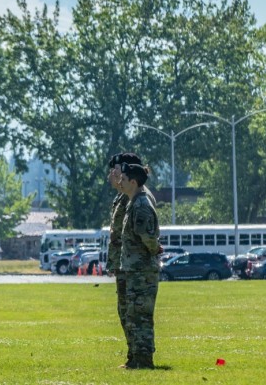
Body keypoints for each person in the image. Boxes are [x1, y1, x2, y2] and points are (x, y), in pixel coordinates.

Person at [119, 162, 161, 370]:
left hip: (143, 271)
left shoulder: (141, 204)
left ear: (133, 182)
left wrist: (155, 249)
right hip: (135, 270)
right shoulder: (133, 202)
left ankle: (144, 361)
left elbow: (148, 237)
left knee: (141, 317)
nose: (119, 181)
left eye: (123, 179)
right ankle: (136, 359)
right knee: (133, 316)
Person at [105, 152, 142, 367]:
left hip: (132, 265)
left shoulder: (135, 198)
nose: (112, 174)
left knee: (133, 314)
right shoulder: (121, 198)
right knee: (124, 312)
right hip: (122, 264)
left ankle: (138, 357)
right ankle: (132, 356)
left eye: (116, 170)